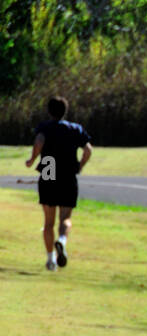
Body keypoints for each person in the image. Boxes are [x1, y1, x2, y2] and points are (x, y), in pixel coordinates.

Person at [25, 96, 92, 272]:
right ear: (65, 111)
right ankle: (62, 240)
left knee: (48, 222)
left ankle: (50, 261)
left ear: (49, 111)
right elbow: (88, 149)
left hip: (49, 170)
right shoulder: (75, 129)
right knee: (65, 218)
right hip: (68, 173)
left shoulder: (44, 127)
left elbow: (39, 141)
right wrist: (80, 165)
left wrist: (32, 159)